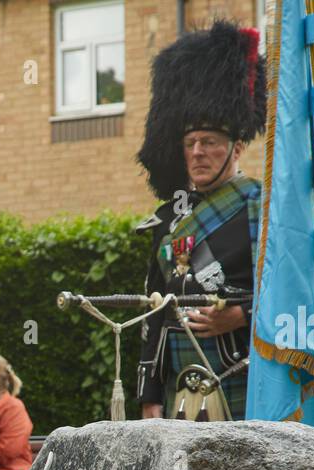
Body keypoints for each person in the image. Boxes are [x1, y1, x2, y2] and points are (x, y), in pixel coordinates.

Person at [133, 21, 266, 421]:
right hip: (181, 387)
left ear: (237, 148)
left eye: (209, 143)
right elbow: (154, 312)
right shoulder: (168, 220)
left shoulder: (261, 205)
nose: (198, 153)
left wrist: (240, 314)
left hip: (242, 378)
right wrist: (148, 397)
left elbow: (290, 291)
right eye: (190, 144)